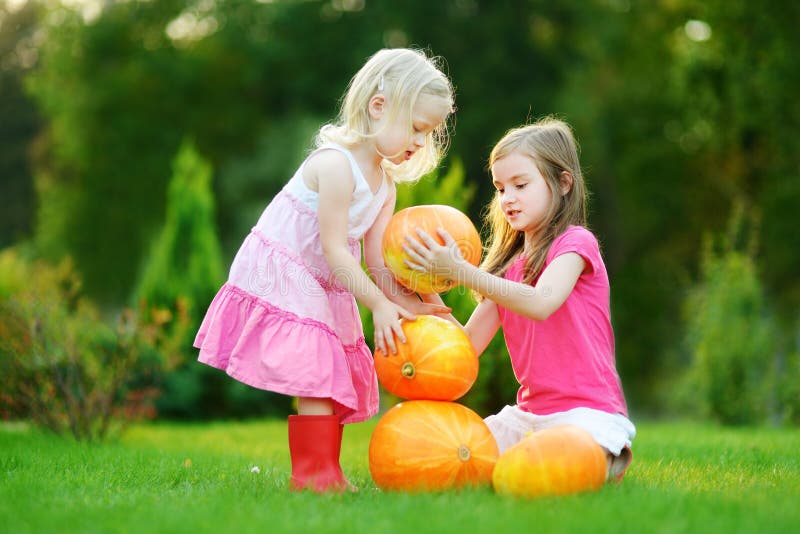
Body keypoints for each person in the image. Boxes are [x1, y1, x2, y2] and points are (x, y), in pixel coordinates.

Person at [194, 48, 454, 492]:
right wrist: (375, 304)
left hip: (326, 277)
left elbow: (375, 260)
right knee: (317, 372)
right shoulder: (335, 165)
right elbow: (336, 250)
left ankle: (322, 472)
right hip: (287, 268)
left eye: (428, 133)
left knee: (329, 373)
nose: (419, 141)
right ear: (378, 107)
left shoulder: (385, 185)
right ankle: (314, 474)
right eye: (415, 127)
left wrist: (412, 303)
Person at [404, 117, 636, 482]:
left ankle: (602, 458)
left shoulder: (575, 244)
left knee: (557, 460)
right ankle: (560, 462)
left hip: (586, 413)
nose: (507, 198)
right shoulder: (507, 270)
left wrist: (461, 270)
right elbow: (465, 347)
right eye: (499, 188)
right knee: (453, 456)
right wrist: (423, 285)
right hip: (528, 417)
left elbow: (540, 303)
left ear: (563, 183)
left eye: (520, 185)